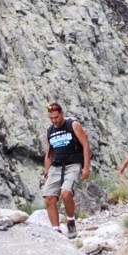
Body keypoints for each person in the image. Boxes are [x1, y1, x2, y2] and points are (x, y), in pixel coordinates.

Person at [41, 102, 90, 238]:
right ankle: (56, 231)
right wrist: (46, 172)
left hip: (73, 164)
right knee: (49, 198)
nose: (54, 121)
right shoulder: (50, 131)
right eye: (51, 118)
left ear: (62, 114)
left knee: (66, 193)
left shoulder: (73, 125)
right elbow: (49, 154)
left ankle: (71, 221)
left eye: (56, 117)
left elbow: (85, 144)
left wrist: (86, 167)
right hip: (56, 166)